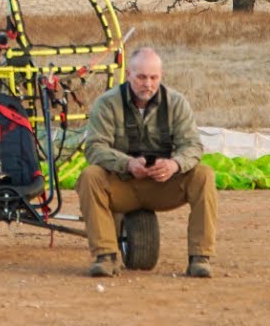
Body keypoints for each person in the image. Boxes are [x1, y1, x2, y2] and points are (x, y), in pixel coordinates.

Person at [75, 47, 217, 278]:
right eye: (141, 77)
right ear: (128, 74)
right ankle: (105, 256)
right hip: (122, 184)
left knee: (204, 174)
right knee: (90, 176)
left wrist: (174, 165)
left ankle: (200, 257)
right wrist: (127, 164)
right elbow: (94, 148)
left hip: (163, 185)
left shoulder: (176, 103)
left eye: (153, 78)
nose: (147, 84)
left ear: (161, 77)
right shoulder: (107, 103)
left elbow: (193, 146)